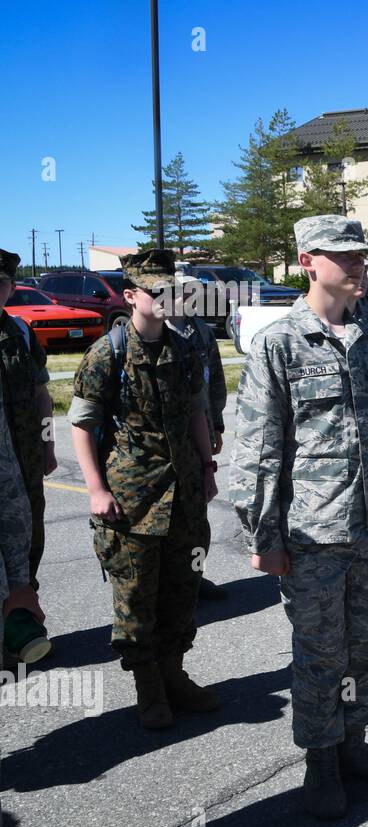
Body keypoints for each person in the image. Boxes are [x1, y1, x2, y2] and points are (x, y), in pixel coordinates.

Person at [229, 216, 368, 819]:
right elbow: (257, 450)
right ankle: (320, 760)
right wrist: (264, 533)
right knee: (320, 654)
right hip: (311, 533)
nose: (359, 264)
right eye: (345, 256)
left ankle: (354, 742)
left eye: (361, 254)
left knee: (365, 649)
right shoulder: (280, 343)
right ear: (309, 261)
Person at [69, 249, 219, 730]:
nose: (167, 298)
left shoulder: (185, 347)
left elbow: (198, 410)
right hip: (131, 498)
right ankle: (148, 686)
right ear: (131, 296)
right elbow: (81, 423)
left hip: (185, 492)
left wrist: (208, 468)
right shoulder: (107, 352)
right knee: (135, 595)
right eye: (156, 291)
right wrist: (95, 489)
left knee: (183, 588)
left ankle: (174, 672)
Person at [0, 248, 56, 668]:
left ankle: (22, 630)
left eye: (2, 283)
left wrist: (49, 445)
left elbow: (42, 394)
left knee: (27, 545)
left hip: (24, 463)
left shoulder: (19, 331)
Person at [160, 273, 229, 601]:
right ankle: (162, 584)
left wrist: (216, 424)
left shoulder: (200, 331)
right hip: (160, 442)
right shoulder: (154, 330)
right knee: (161, 517)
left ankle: (193, 578)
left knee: (196, 518)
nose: (188, 298)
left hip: (196, 433)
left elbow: (214, 378)